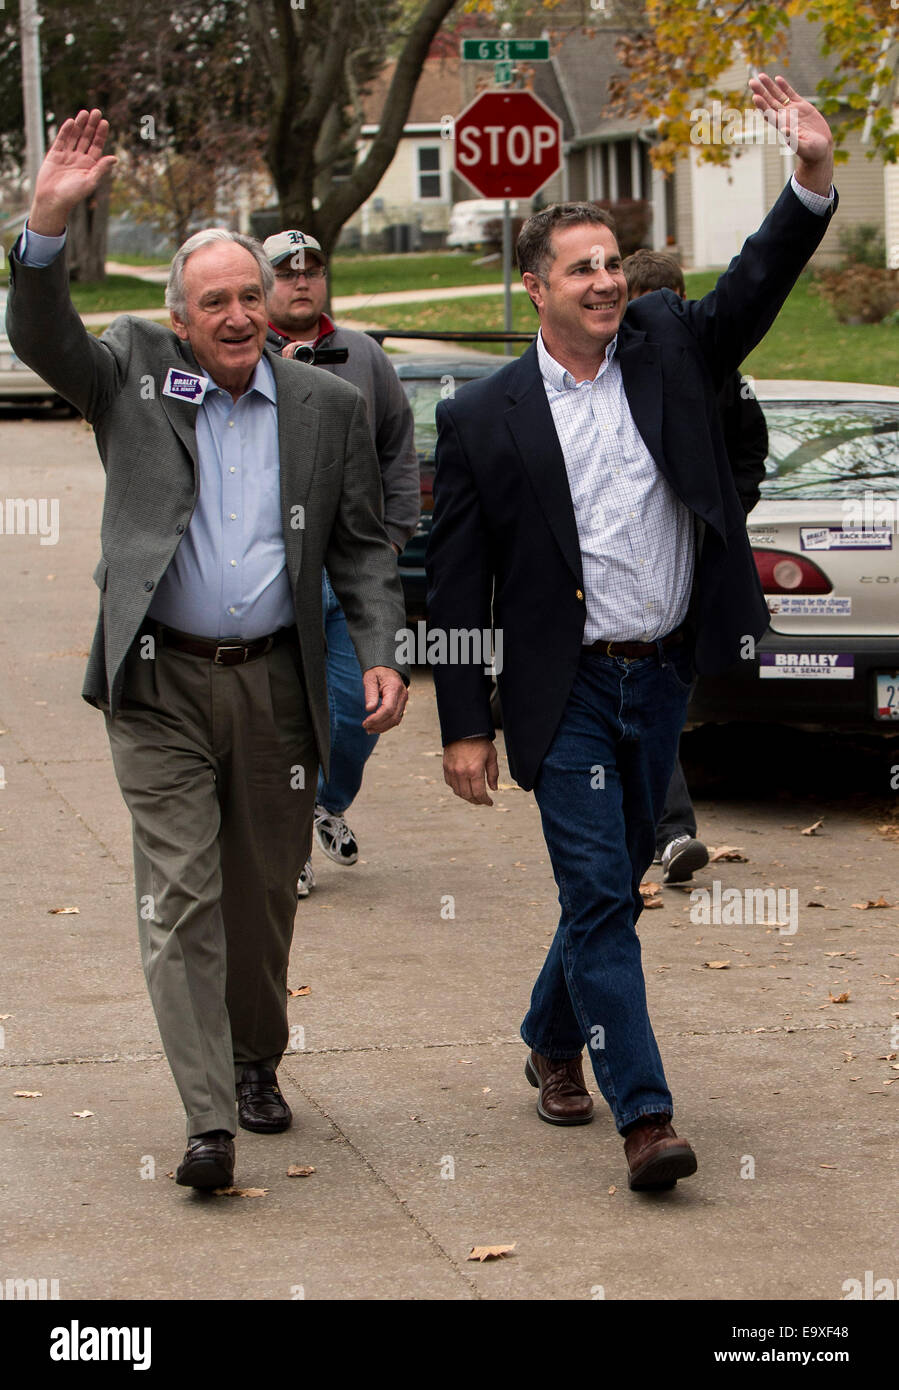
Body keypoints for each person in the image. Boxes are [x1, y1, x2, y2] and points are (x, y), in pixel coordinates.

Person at [426, 75, 835, 1191]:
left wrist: (804, 178)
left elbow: (753, 286)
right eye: (581, 268)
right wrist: (462, 723)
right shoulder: (479, 418)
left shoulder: (667, 346)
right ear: (533, 288)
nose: (606, 282)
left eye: (612, 264)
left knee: (606, 886)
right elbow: (456, 586)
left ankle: (551, 1035)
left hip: (659, 679)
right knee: (606, 893)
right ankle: (644, 1116)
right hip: (559, 692)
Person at [6, 109, 409, 1190]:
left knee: (261, 890)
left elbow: (365, 544)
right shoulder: (130, 376)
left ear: (271, 307)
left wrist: (378, 645)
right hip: (158, 682)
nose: (236, 316)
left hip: (276, 685)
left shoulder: (324, 406)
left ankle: (252, 1059)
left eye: (248, 297)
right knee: (179, 892)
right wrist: (46, 224)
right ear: (178, 319)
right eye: (213, 302)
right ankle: (206, 1121)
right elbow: (40, 337)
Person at [263, 230, 419, 898]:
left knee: (362, 709)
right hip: (274, 572)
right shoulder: (243, 351)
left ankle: (327, 800)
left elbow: (398, 449)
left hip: (351, 570)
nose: (301, 282)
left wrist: (390, 537)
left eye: (313, 271)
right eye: (286, 272)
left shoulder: (361, 355)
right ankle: (289, 839)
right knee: (286, 718)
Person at [622, 248, 770, 884]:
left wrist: (724, 512)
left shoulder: (722, 372)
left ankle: (660, 823)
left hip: (700, 556)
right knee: (649, 693)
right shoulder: (614, 371)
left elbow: (748, 448)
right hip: (630, 561)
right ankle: (669, 827)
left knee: (666, 692)